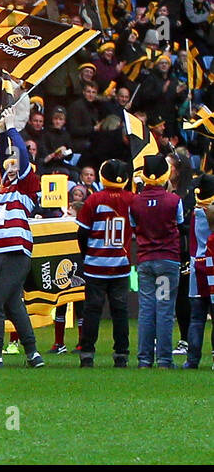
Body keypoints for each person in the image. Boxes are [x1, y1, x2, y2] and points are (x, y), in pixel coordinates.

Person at [0, 94, 46, 369]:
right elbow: (3, 157)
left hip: (12, 250)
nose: (9, 163)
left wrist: (11, 130)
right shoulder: (6, 189)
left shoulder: (27, 184)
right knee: (12, 304)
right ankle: (33, 353)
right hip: (6, 251)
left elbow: (19, 151)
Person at [76, 159, 135, 368]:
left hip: (95, 265)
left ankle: (87, 355)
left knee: (92, 310)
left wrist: (87, 255)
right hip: (120, 265)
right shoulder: (131, 199)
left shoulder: (94, 199)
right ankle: (121, 355)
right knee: (120, 311)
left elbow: (81, 232)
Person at [131, 154, 184, 369]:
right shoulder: (174, 200)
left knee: (146, 309)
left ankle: (144, 359)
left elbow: (134, 227)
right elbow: (180, 225)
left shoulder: (135, 202)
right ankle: (164, 359)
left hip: (145, 260)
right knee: (164, 310)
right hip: (168, 260)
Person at [184, 174, 214, 368]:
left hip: (196, 266)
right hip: (212, 267)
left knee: (196, 318)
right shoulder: (211, 212)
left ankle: (192, 360)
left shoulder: (195, 212)